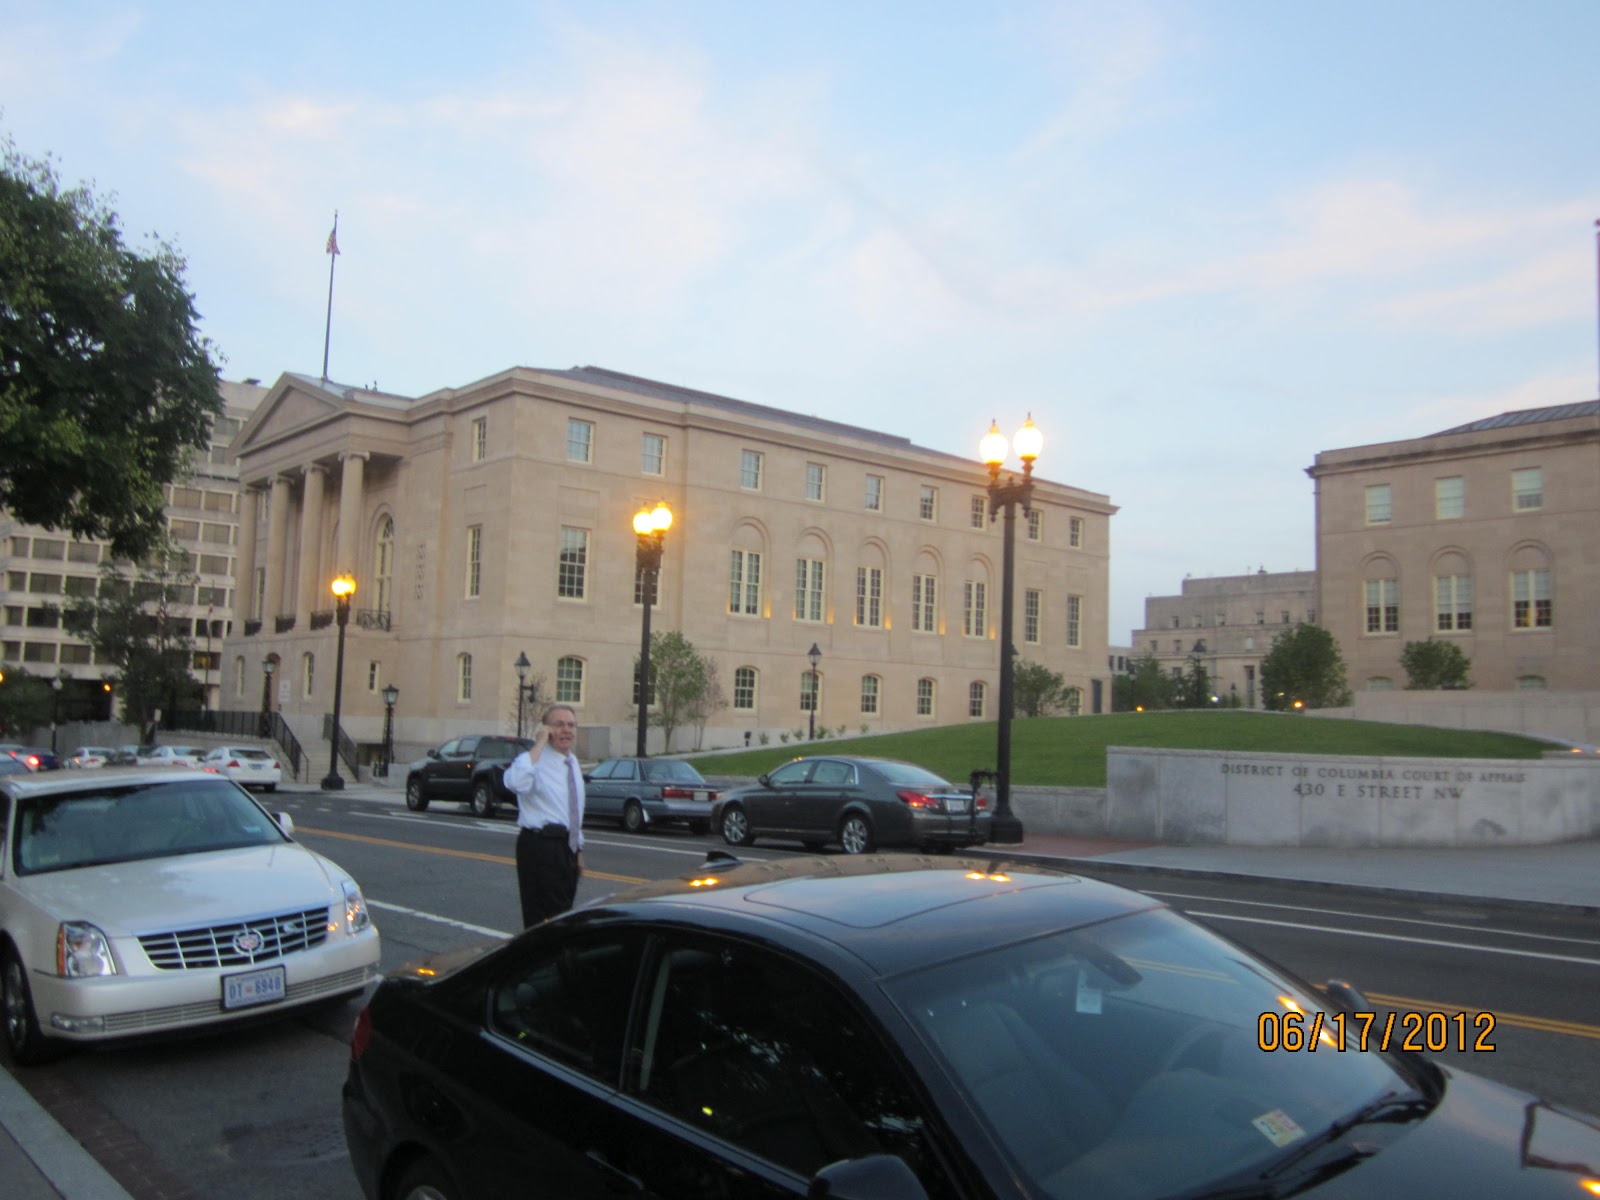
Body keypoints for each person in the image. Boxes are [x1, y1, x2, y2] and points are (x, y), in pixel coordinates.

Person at [503, 704, 586, 926]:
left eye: (571, 725)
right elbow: (515, 782)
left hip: (566, 848)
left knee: (563, 914)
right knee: (542, 919)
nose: (566, 730)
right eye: (559, 725)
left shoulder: (572, 762)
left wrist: (578, 848)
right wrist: (539, 744)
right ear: (546, 729)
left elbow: (573, 810)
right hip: (541, 846)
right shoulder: (534, 760)